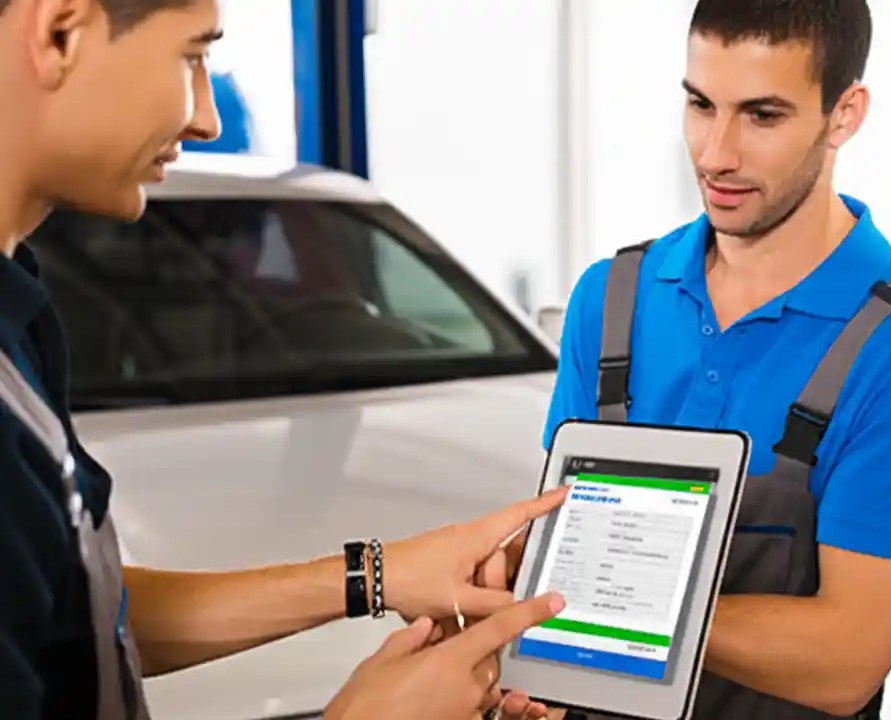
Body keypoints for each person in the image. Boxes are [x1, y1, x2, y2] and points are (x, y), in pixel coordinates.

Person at [0, 1, 564, 718]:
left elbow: (79, 614)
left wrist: (376, 575)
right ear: (60, 33)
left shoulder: (20, 320)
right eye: (192, 55)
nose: (207, 119)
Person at [543, 1, 891, 717]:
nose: (716, 153)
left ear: (844, 114)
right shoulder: (610, 298)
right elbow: (559, 547)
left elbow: (845, 662)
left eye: (763, 115)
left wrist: (600, 608)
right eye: (700, 105)